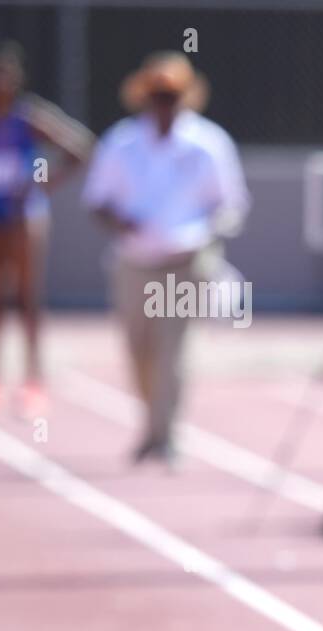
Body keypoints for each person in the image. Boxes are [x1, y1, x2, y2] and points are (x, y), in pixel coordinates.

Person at [82, 52, 249, 465]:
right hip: (135, 261)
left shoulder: (209, 143)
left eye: (171, 95)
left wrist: (208, 231)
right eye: (157, 95)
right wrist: (123, 223)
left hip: (185, 262)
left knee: (174, 350)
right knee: (140, 350)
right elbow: (97, 201)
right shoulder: (121, 142)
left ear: (185, 97)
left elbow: (231, 204)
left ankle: (167, 436)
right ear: (145, 97)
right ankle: (153, 427)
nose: (164, 103)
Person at [0, 41, 92, 417]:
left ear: (17, 80)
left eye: (7, 76)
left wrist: (43, 180)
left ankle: (33, 380)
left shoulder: (28, 117)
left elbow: (80, 147)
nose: (0, 83)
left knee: (26, 297)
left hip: (24, 216)